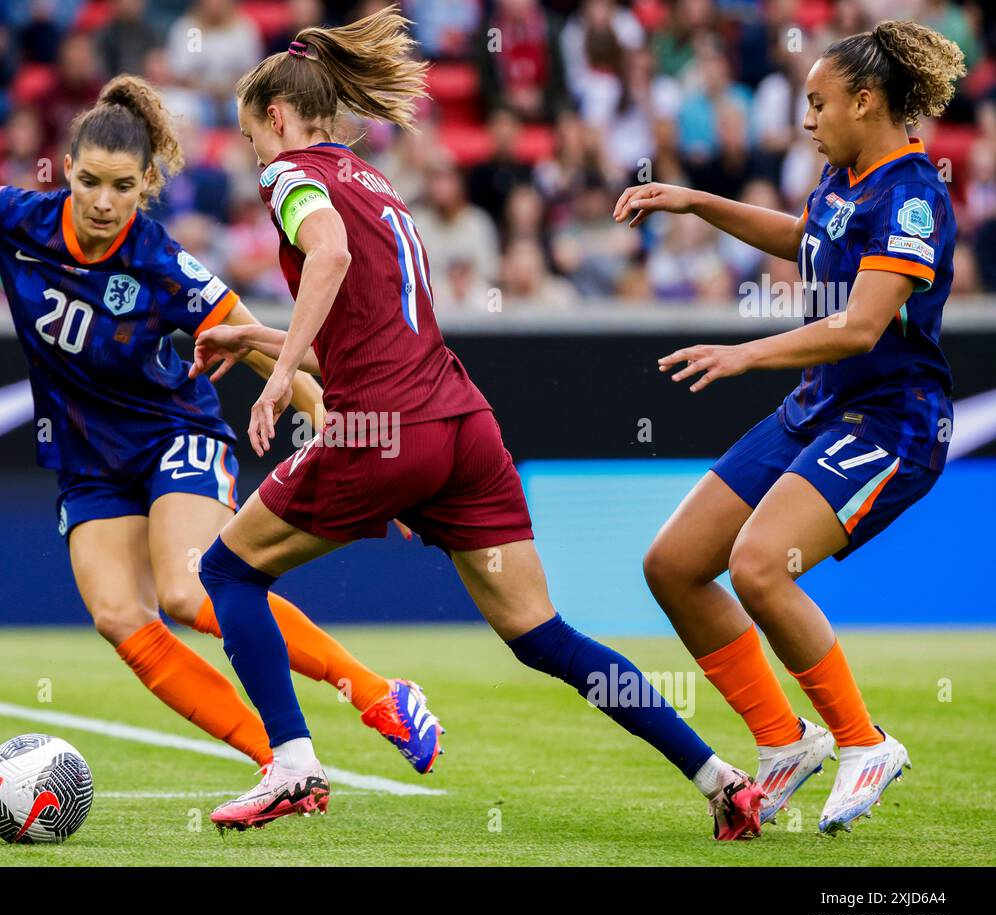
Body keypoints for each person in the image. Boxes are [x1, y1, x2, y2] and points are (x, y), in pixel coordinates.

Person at [190, 7, 764, 837]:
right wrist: (262, 337)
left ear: (276, 118)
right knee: (543, 633)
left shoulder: (291, 177)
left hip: (380, 432)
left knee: (228, 574)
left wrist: (278, 375)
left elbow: (330, 257)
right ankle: (720, 778)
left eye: (252, 139)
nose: (255, 156)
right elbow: (368, 336)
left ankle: (292, 765)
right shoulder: (378, 184)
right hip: (461, 424)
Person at [0, 74, 444, 779]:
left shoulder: (164, 265)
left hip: (173, 434)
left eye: (124, 187)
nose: (104, 202)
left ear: (147, 183)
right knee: (118, 617)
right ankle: (278, 763)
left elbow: (250, 339)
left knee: (189, 592)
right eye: (92, 181)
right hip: (86, 458)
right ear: (66, 169)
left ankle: (380, 696)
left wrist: (321, 410)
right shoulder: (18, 221)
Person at [616, 20, 965, 833]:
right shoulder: (844, 179)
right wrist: (696, 202)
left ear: (867, 101)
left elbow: (857, 329)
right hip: (816, 409)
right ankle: (783, 743)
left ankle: (862, 741)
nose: (807, 119)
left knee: (760, 567)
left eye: (818, 103)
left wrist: (745, 355)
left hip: (892, 420)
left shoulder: (912, 193)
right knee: (672, 564)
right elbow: (805, 238)